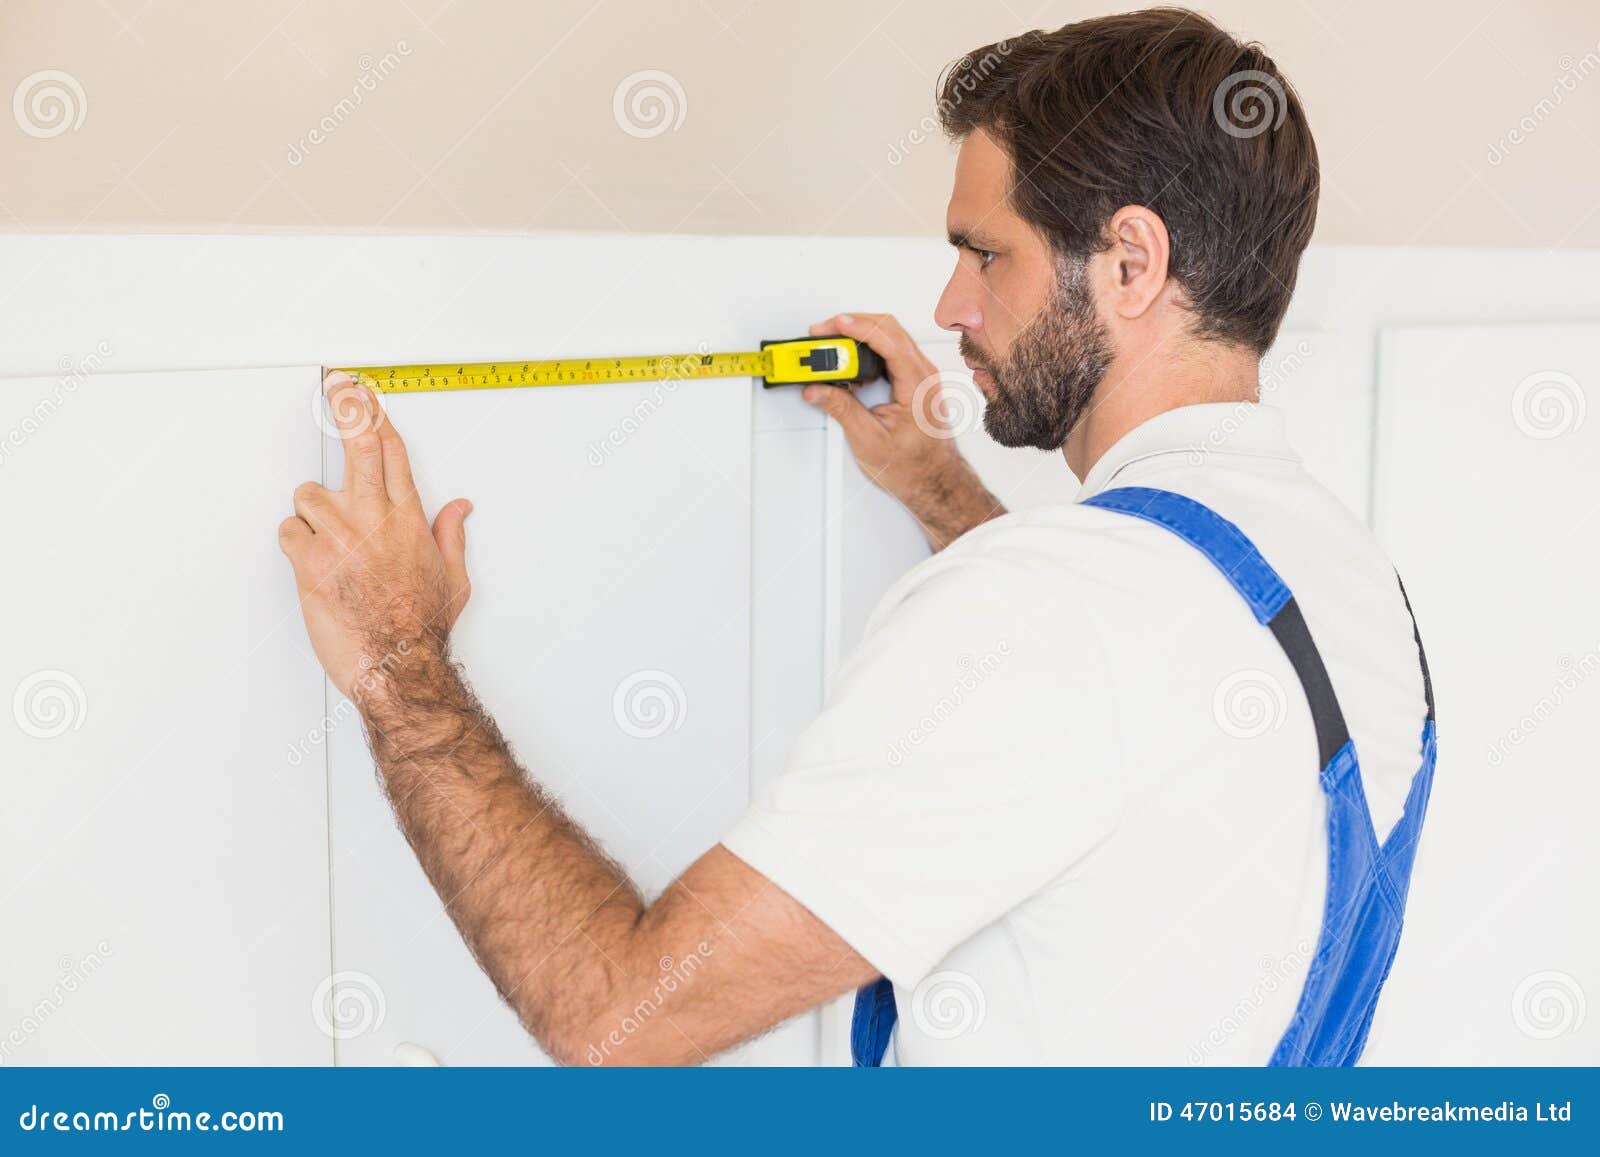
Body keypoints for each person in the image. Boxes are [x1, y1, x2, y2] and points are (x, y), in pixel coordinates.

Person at [279, 7, 1434, 1065]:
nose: (951, 306)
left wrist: (399, 662)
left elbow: (615, 1014)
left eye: (986, 252)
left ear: (1131, 263)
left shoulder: (1049, 612)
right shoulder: (1344, 579)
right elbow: (1113, 715)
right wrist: (942, 495)